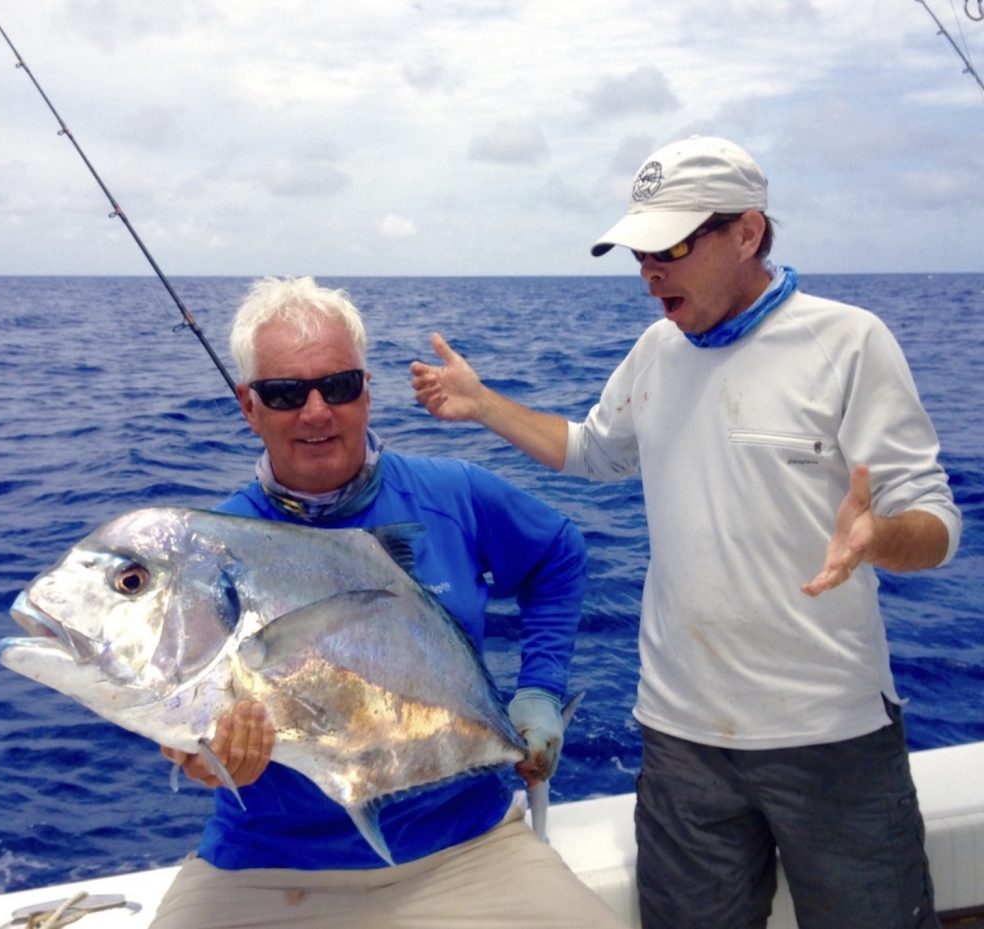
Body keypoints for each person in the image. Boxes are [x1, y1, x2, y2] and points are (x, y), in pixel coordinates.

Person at [409, 135, 963, 929]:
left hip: (832, 736)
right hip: (680, 742)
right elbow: (594, 449)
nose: (649, 271)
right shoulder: (656, 352)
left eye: (670, 245)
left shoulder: (850, 341)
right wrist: (484, 402)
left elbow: (938, 525)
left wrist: (876, 537)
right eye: (638, 250)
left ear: (748, 233)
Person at [148, 276, 628, 929]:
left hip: (467, 844)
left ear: (367, 391)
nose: (316, 412)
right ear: (248, 405)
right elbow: (182, 696)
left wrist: (539, 689)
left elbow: (559, 553)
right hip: (266, 866)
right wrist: (203, 755)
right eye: (285, 393)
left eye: (338, 385)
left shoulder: (451, 494)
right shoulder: (212, 555)